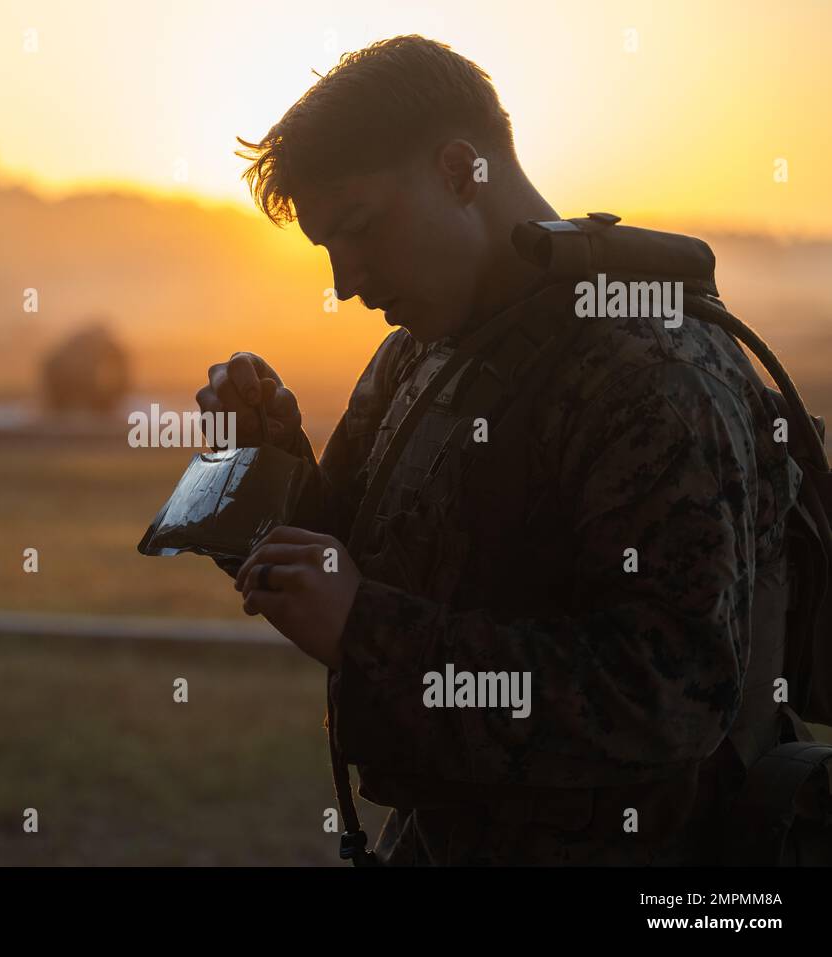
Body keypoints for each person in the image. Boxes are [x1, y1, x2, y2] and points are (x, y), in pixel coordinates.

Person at [196, 35, 802, 864]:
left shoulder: (650, 368)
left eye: (362, 228)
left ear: (459, 172)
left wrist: (369, 626)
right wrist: (260, 460)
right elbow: (346, 554)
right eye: (328, 248)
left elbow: (671, 693)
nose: (344, 282)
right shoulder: (424, 349)